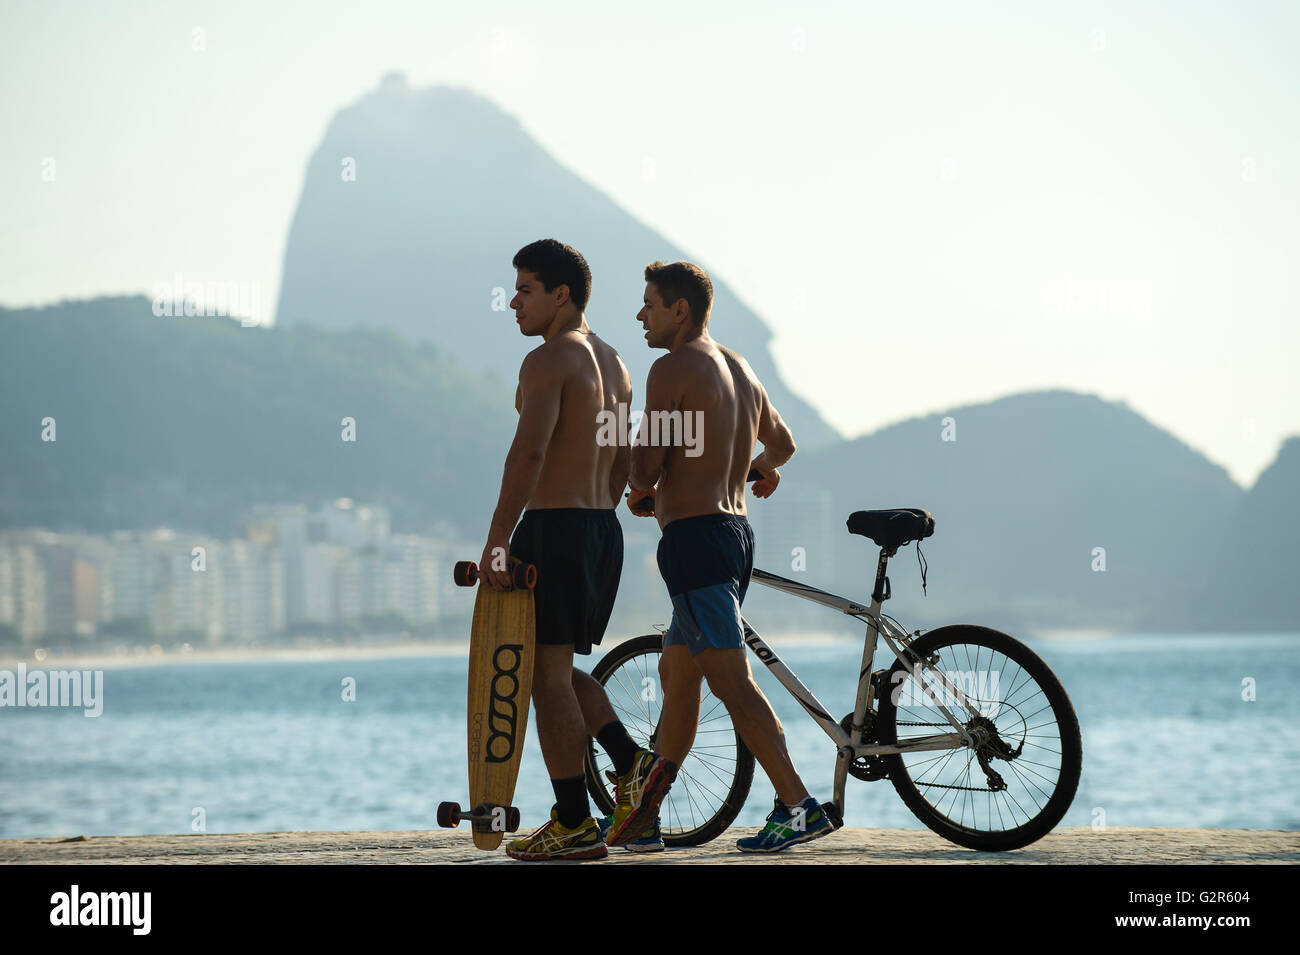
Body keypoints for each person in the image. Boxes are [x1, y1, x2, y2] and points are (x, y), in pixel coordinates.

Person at [626, 260, 834, 852]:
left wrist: (642, 491)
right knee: (679, 676)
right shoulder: (740, 368)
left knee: (732, 681)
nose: (640, 315)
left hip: (694, 544)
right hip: (734, 536)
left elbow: (646, 464)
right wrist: (753, 469)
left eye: (649, 304)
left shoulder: (671, 368)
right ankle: (645, 818)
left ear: (679, 310)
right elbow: (783, 445)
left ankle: (797, 805)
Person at [479, 239, 676, 861]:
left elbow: (529, 454)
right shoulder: (616, 363)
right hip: (599, 529)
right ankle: (632, 764)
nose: (513, 303)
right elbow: (622, 457)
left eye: (525, 289)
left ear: (560, 293)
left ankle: (574, 821)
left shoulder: (547, 361)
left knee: (544, 678)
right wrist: (601, 515)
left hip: (554, 527)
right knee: (557, 670)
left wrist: (497, 541)